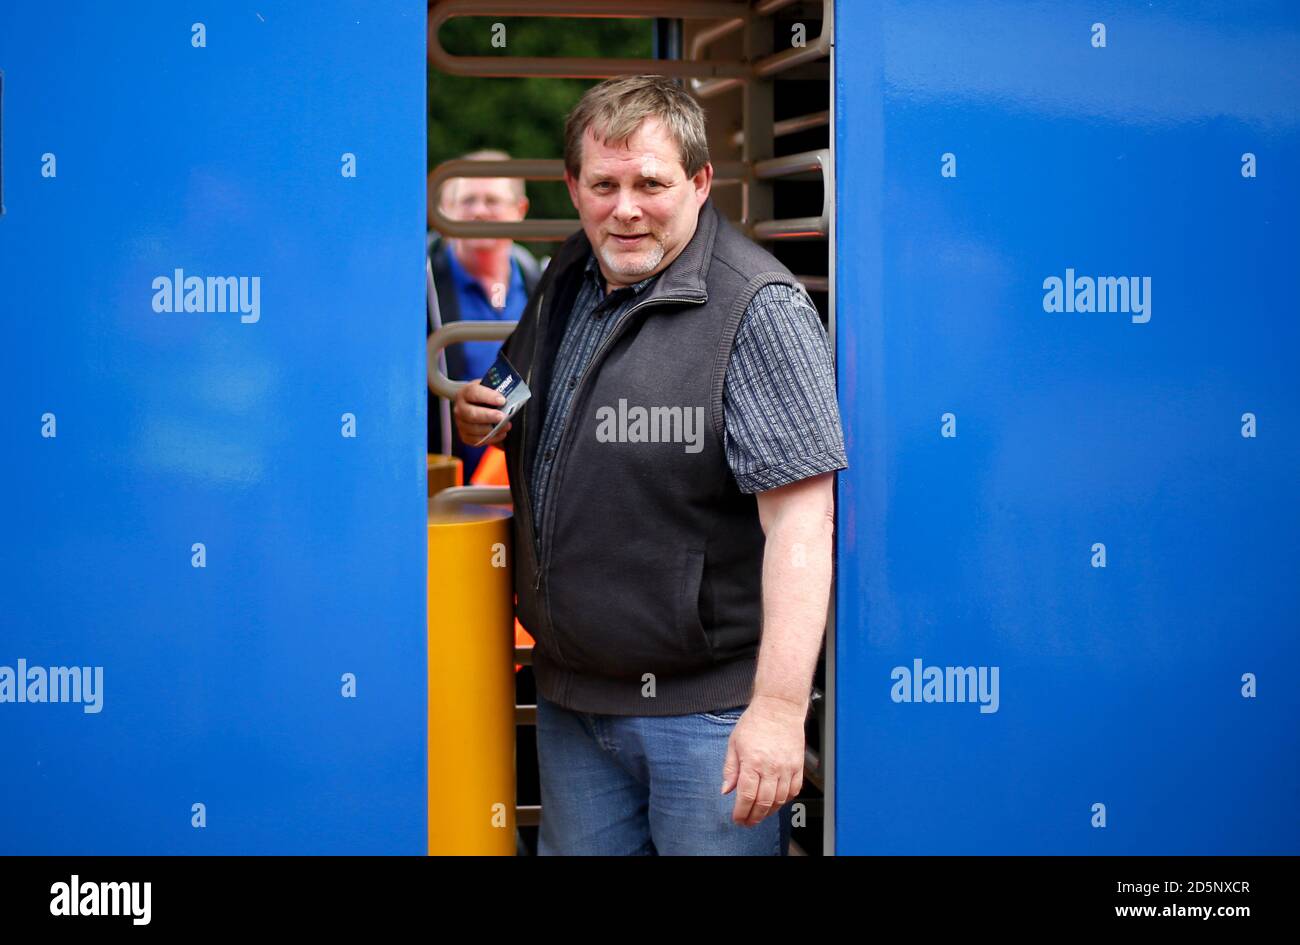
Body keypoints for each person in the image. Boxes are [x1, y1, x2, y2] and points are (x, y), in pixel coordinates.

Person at [452, 76, 847, 855]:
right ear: (574, 187)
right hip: (573, 704)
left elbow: (804, 521)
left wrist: (775, 706)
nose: (625, 207)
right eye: (604, 184)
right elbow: (521, 382)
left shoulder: (756, 306)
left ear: (699, 183)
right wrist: (484, 408)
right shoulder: (571, 268)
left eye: (650, 184)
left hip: (706, 723)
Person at [428, 150, 543, 480]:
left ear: (519, 210)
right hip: (442, 500)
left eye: (492, 200)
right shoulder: (413, 284)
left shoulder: (543, 281)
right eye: (467, 200)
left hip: (515, 494)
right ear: (445, 210)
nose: (479, 211)